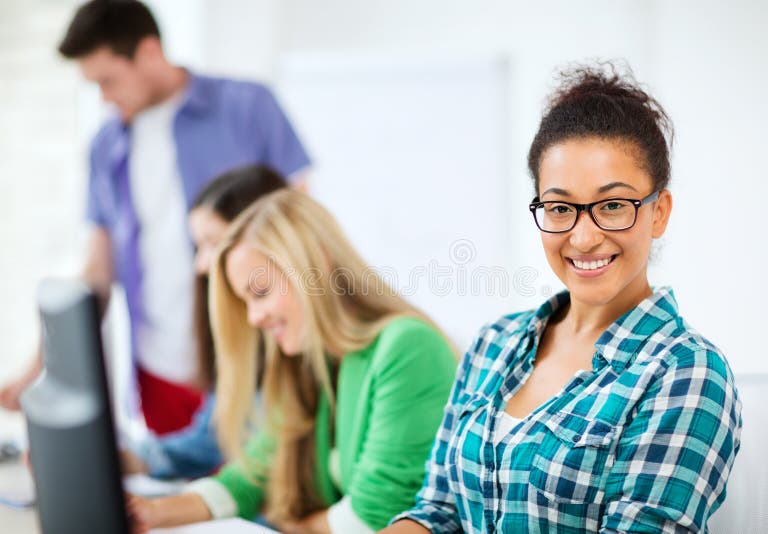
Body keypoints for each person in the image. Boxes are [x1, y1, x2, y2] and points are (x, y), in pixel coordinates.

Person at [385, 63, 742, 533]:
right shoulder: (494, 342)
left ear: (659, 213)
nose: (584, 236)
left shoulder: (685, 374)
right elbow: (438, 511)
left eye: (613, 205)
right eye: (560, 207)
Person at [0, 0, 311, 437]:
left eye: (108, 80)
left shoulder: (248, 106)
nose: (104, 98)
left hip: (254, 358)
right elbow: (96, 273)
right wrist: (38, 367)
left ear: (148, 52)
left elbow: (302, 230)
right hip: (160, 371)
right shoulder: (106, 145)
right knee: (169, 489)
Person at [127, 190, 458, 533]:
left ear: (315, 264)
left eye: (260, 293)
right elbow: (250, 475)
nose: (254, 318)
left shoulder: (407, 347)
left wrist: (295, 526)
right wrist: (153, 512)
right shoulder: (310, 363)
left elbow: (372, 516)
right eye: (246, 303)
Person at [119, 164, 287, 479]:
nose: (201, 265)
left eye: (213, 243)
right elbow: (209, 441)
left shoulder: (294, 338)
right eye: (198, 247)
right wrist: (123, 461)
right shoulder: (247, 336)